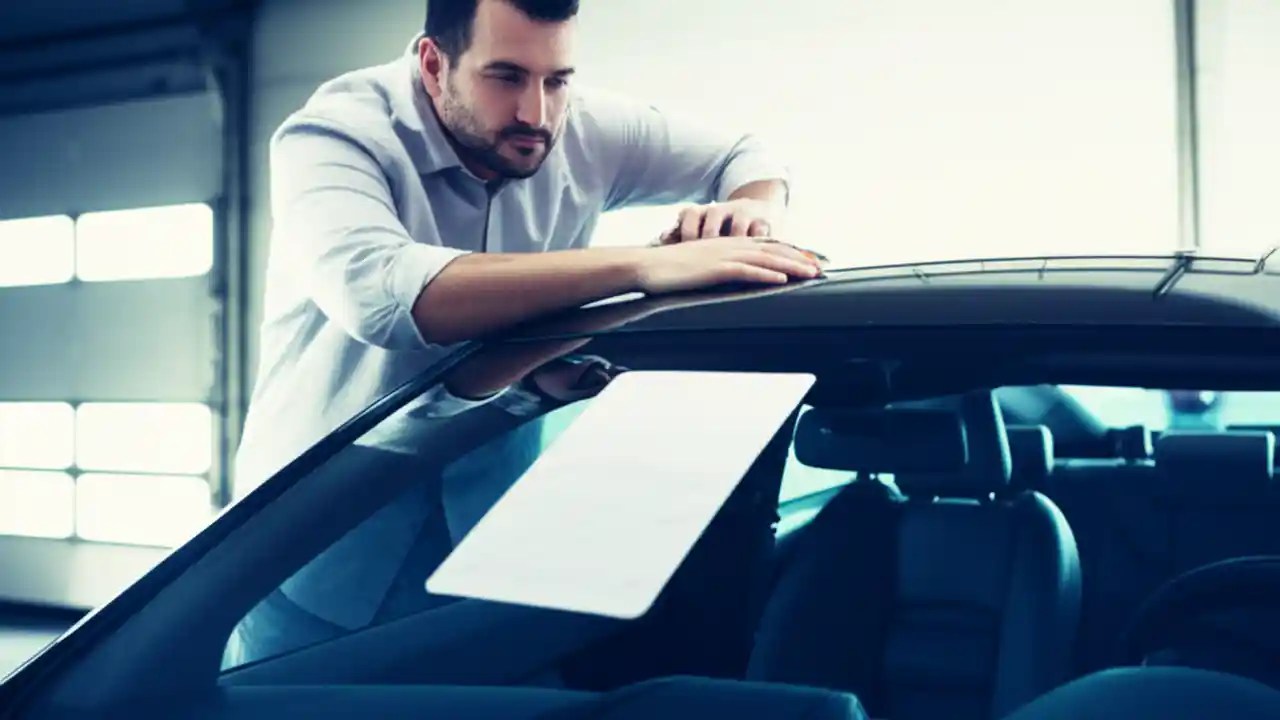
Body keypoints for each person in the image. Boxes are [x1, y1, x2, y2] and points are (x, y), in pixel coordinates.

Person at [224, 0, 820, 665]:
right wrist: (643, 268)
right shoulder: (334, 136)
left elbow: (747, 155)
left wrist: (750, 219)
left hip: (485, 538)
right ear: (433, 64)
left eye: (557, 79)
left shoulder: (580, 125)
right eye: (505, 77)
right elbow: (381, 296)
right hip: (315, 544)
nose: (536, 113)